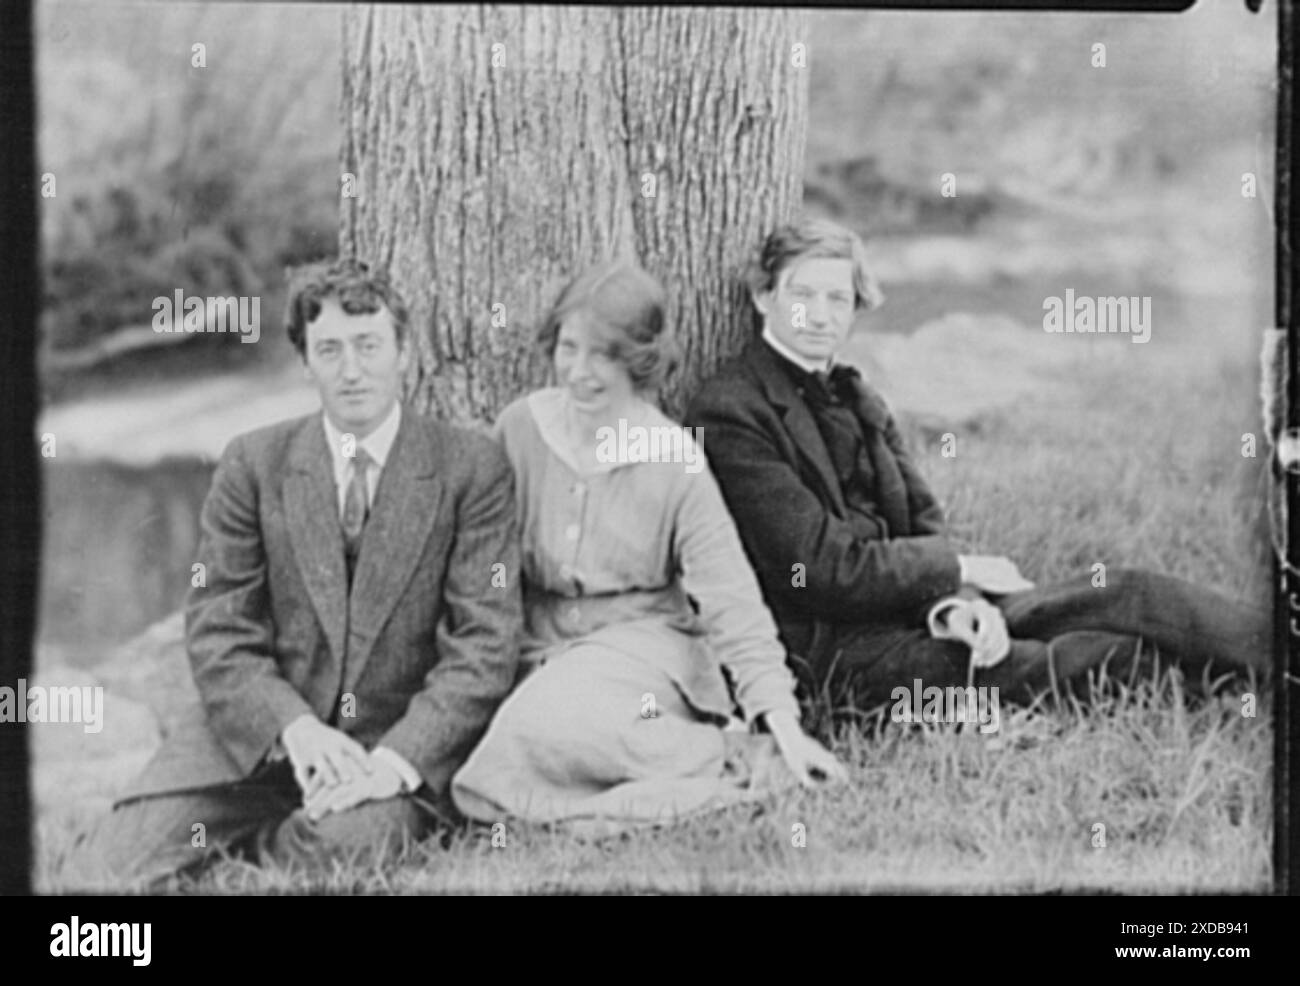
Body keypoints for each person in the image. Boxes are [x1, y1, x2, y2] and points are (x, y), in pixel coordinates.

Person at [684, 217, 1270, 709]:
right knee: (1085, 655)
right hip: (832, 648)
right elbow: (821, 571)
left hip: (918, 604)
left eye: (837, 298)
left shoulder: (856, 395)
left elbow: (923, 521)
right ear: (764, 296)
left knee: (1131, 593)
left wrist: (954, 604)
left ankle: (1281, 659)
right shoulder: (732, 411)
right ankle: (1241, 689)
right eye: (801, 295)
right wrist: (955, 572)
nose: (819, 314)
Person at [69, 260, 522, 888]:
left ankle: (263, 850)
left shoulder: (472, 469)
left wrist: (397, 761)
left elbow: (484, 645)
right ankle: (251, 831)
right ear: (305, 362)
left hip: (383, 750)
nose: (352, 369)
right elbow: (218, 627)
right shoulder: (253, 464)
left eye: (369, 345)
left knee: (340, 847)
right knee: (102, 871)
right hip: (257, 743)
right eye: (329, 350)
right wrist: (293, 728)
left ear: (404, 352)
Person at [451, 261, 845, 835]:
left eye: (604, 356)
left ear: (640, 361)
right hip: (539, 642)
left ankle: (740, 756)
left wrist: (782, 721)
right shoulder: (520, 428)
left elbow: (731, 598)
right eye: (568, 349)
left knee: (542, 725)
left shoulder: (674, 458)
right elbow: (484, 561)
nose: (580, 373)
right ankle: (613, 799)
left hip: (646, 648)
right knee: (534, 727)